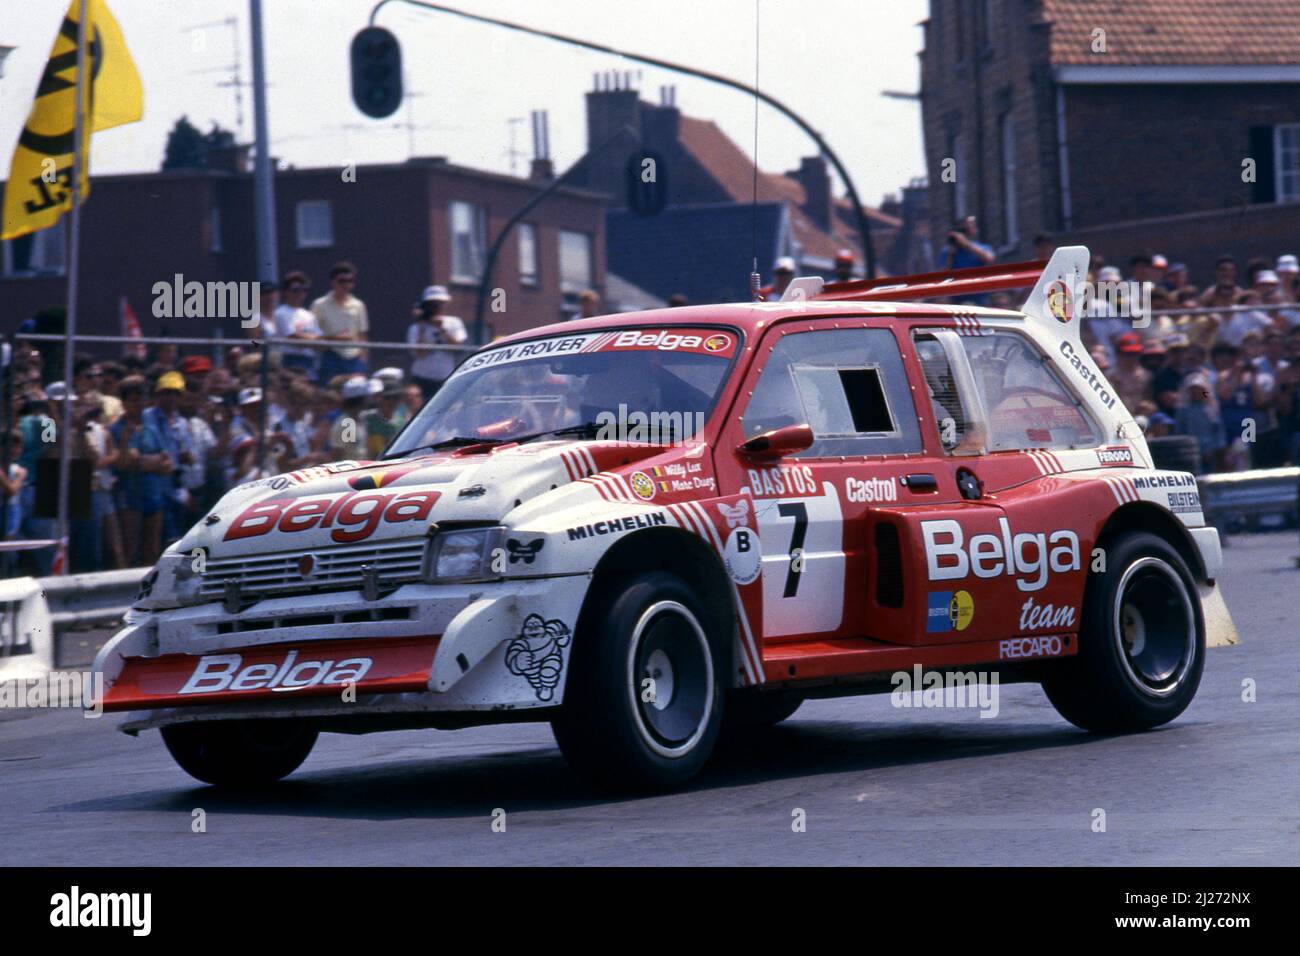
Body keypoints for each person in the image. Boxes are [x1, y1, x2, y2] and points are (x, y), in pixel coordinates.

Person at [110, 376, 171, 568]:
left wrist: (146, 462)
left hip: (153, 493)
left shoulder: (151, 428)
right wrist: (151, 462)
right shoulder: (117, 429)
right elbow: (126, 463)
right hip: (130, 495)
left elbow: (166, 461)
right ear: (124, 402)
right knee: (129, 547)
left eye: (142, 399)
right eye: (134, 399)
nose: (139, 404)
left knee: (152, 549)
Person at [311, 261, 369, 382]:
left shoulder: (358, 305)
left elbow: (362, 334)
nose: (346, 285)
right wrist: (334, 338)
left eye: (350, 281)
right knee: (329, 395)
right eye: (342, 281)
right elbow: (312, 335)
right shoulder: (319, 305)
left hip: (354, 358)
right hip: (331, 355)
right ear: (333, 282)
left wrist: (363, 361)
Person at [407, 285, 468, 396]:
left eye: (440, 304)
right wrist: (423, 327)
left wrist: (442, 329)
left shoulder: (454, 322)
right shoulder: (415, 328)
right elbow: (420, 353)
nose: (437, 308)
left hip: (446, 376)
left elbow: (459, 348)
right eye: (432, 304)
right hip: (422, 377)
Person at [273, 270, 321, 378]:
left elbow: (320, 340)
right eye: (295, 290)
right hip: (290, 359)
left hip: (309, 359)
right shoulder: (280, 312)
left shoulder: (309, 315)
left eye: (303, 290)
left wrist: (316, 340)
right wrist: (315, 339)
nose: (300, 293)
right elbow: (293, 337)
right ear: (286, 292)